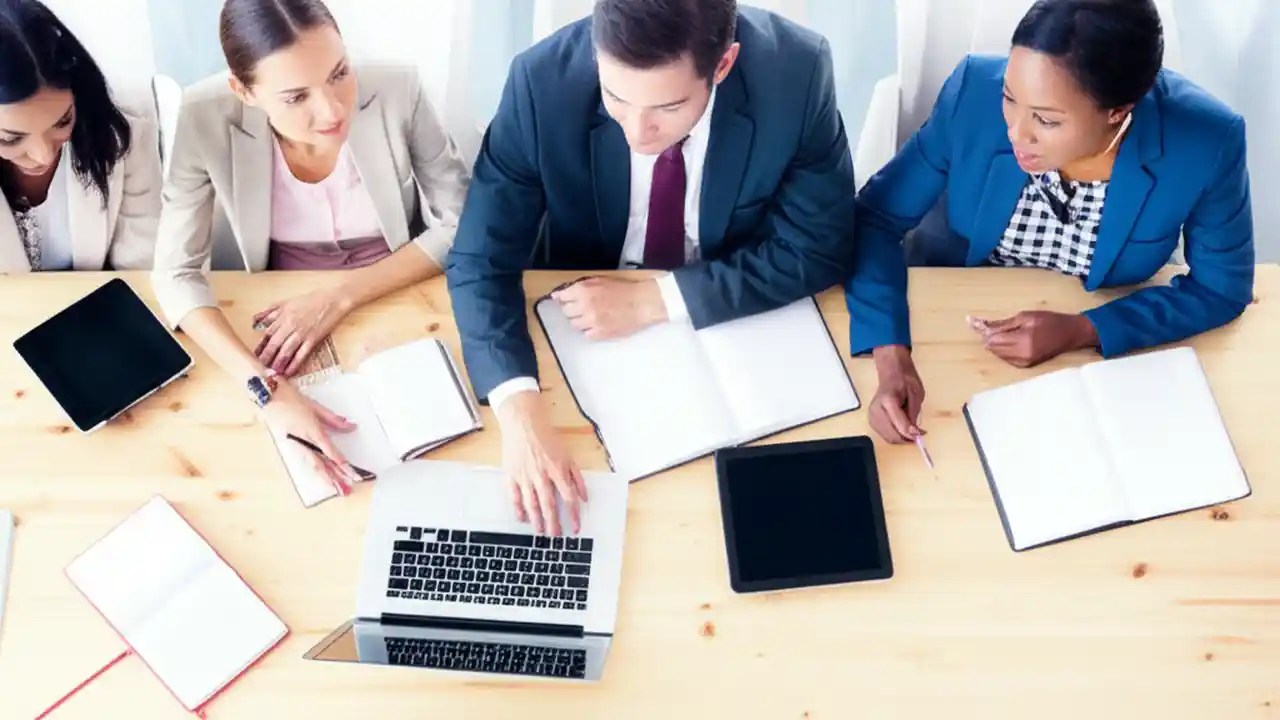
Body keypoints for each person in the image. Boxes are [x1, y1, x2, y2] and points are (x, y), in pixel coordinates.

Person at [447, 0, 858, 536]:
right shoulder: (539, 81)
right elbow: (480, 258)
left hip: (736, 321)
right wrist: (520, 412)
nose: (637, 132)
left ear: (724, 65)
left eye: (667, 106)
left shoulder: (797, 73)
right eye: (616, 97)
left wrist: (657, 300)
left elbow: (819, 246)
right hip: (578, 329)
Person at [844, 0, 1254, 446]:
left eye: (1046, 119)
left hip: (1098, 367)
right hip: (950, 321)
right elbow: (876, 219)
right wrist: (890, 353)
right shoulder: (971, 92)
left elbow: (1221, 289)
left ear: (1118, 111)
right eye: (1010, 97)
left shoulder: (1206, 141)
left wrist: (1085, 328)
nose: (1016, 132)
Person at [152, 0, 469, 488]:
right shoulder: (202, 115)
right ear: (245, 91)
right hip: (280, 307)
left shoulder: (399, 87)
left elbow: (461, 223)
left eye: (340, 73)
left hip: (397, 287)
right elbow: (174, 273)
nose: (332, 109)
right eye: (297, 97)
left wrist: (338, 296)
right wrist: (265, 390)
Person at [0, 0, 161, 272]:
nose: (43, 155)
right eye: (11, 139)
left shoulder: (124, 127)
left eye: (62, 121)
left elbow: (142, 266)